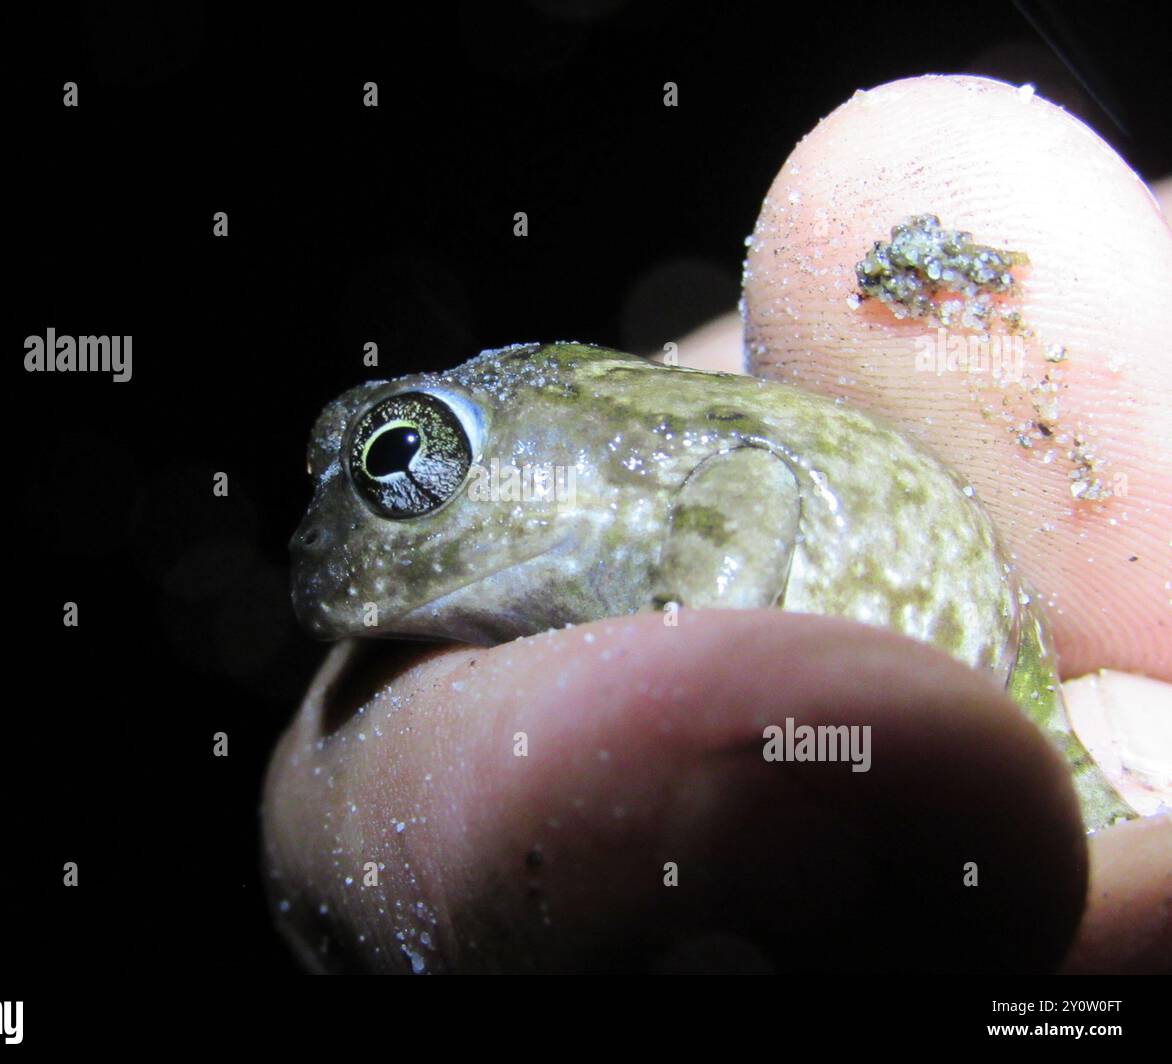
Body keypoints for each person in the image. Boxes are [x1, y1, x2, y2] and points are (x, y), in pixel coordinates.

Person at [263, 76, 1171, 974]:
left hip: (1002, 661)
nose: (321, 532)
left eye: (400, 460)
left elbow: (750, 483)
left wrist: (683, 632)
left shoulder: (647, 467)